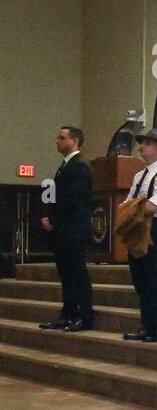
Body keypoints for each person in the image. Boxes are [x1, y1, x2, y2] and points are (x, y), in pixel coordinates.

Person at [121, 129, 157, 343]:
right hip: (138, 229)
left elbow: (153, 205)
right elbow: (129, 202)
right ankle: (147, 326)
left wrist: (132, 209)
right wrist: (133, 208)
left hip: (156, 229)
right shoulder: (139, 175)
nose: (141, 147)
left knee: (155, 280)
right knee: (141, 281)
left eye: (145, 143)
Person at [38, 126, 94, 332]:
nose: (57, 141)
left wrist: (54, 217)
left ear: (75, 141)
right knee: (66, 274)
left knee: (77, 273)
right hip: (64, 228)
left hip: (74, 228)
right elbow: (55, 194)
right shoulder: (65, 166)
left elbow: (72, 198)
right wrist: (46, 214)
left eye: (62, 138)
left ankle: (83, 316)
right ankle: (68, 314)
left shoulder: (80, 166)